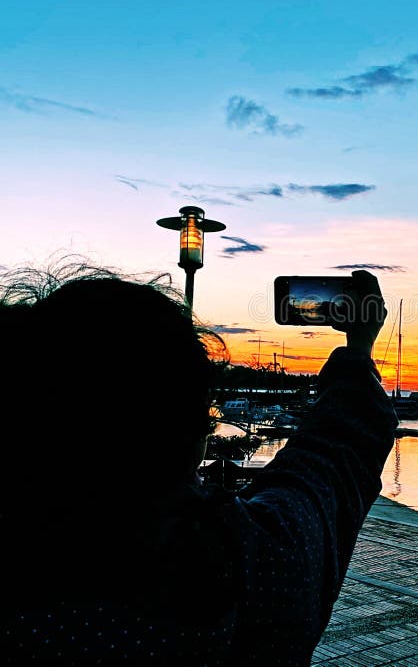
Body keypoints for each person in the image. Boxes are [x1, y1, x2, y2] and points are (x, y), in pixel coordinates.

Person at [0, 261, 397, 665]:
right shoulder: (239, 562)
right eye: (204, 409)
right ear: (185, 429)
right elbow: (329, 464)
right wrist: (358, 349)